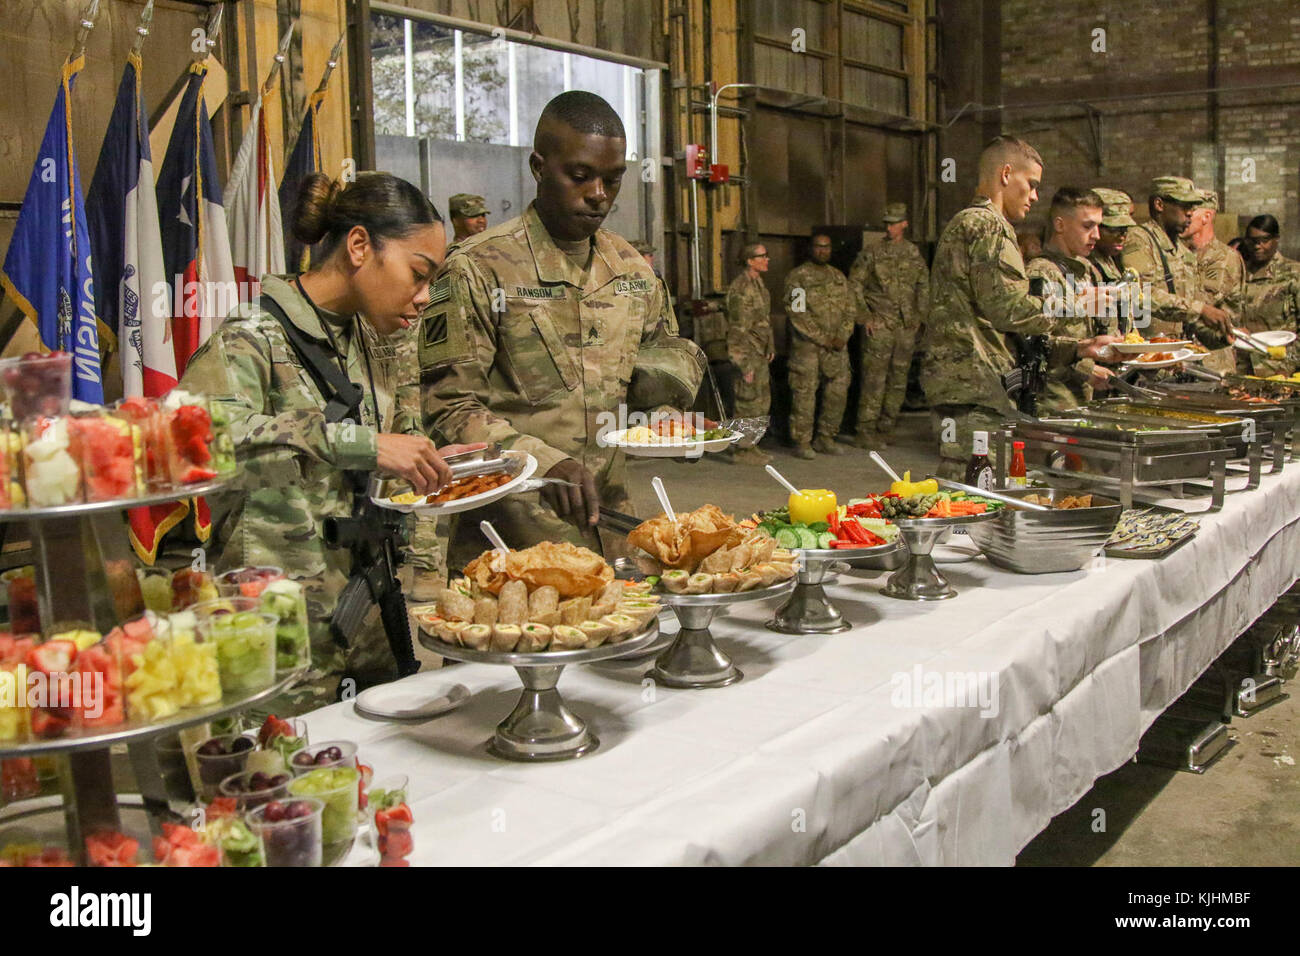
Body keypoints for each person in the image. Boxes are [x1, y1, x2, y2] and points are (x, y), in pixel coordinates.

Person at [179, 171, 477, 707]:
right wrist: (364, 444)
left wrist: (430, 464)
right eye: (418, 273)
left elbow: (389, 445)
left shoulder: (371, 337)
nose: (425, 296)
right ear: (360, 245)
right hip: (279, 628)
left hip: (366, 610)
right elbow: (195, 437)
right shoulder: (255, 335)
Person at [418, 91, 705, 569]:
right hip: (508, 541)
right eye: (580, 176)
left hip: (612, 535)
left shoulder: (633, 270)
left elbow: (655, 368)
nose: (598, 194)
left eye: (613, 180)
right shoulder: (479, 269)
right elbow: (445, 408)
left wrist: (669, 419)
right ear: (538, 166)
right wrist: (542, 460)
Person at [921, 135, 1121, 478]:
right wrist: (1076, 303)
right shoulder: (988, 225)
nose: (1035, 197)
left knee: (974, 483)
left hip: (971, 383)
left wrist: (1079, 347)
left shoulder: (973, 223)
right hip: (974, 385)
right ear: (1006, 174)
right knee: (974, 491)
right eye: (1031, 185)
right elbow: (1009, 309)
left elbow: (998, 322)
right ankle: (959, 537)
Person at [849, 202, 930, 447]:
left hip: (905, 327)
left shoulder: (913, 253)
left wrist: (920, 317)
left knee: (898, 379)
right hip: (880, 324)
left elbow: (923, 286)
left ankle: (886, 427)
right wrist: (864, 317)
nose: (889, 228)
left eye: (894, 223)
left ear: (904, 224)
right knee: (874, 379)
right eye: (887, 224)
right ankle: (865, 430)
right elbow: (854, 284)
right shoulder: (872, 252)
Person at [1026, 187, 1114, 411]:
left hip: (1082, 401)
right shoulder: (1041, 273)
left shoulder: (1084, 268)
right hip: (1051, 404)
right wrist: (1084, 370)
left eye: (1098, 226)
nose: (1096, 235)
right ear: (1060, 225)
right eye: (1087, 226)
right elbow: (1031, 347)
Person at [1121, 176, 1232, 342]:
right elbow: (1139, 294)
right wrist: (1200, 310)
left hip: (1175, 351)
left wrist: (1222, 337)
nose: (1190, 213)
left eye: (1193, 207)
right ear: (1159, 205)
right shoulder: (1139, 239)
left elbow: (1186, 313)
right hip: (1147, 351)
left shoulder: (1181, 250)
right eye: (1184, 205)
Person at [783, 233, 861, 459]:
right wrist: (822, 338)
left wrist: (843, 335)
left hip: (837, 347)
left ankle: (826, 437)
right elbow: (797, 314)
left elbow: (850, 309)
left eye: (827, 247)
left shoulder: (838, 277)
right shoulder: (798, 277)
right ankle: (802, 441)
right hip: (807, 349)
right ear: (811, 249)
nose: (823, 251)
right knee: (805, 394)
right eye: (818, 247)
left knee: (837, 392)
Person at [1184, 189, 1245, 374]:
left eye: (1189, 211)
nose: (1184, 217)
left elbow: (1204, 303)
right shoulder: (1179, 254)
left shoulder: (1224, 258)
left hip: (1213, 363)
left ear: (1206, 217)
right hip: (1184, 361)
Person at [724, 242, 774, 464]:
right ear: (749, 261)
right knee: (746, 400)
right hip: (747, 352)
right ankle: (741, 450)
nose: (767, 259)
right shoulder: (741, 289)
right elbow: (737, 330)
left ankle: (751, 445)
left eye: (766, 255)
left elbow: (763, 320)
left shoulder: (758, 284)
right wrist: (743, 364)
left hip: (758, 351)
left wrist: (769, 346)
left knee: (760, 401)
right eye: (762, 256)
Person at [1239, 214, 1300, 377]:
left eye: (1264, 240)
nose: (1257, 246)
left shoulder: (1293, 273)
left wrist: (1288, 367)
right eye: (1252, 241)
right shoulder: (1239, 272)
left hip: (1279, 368)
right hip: (1241, 367)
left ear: (1276, 239)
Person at [1088, 187, 1137, 284]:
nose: (1121, 237)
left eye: (1124, 229)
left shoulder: (1108, 258)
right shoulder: (1086, 263)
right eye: (1112, 230)